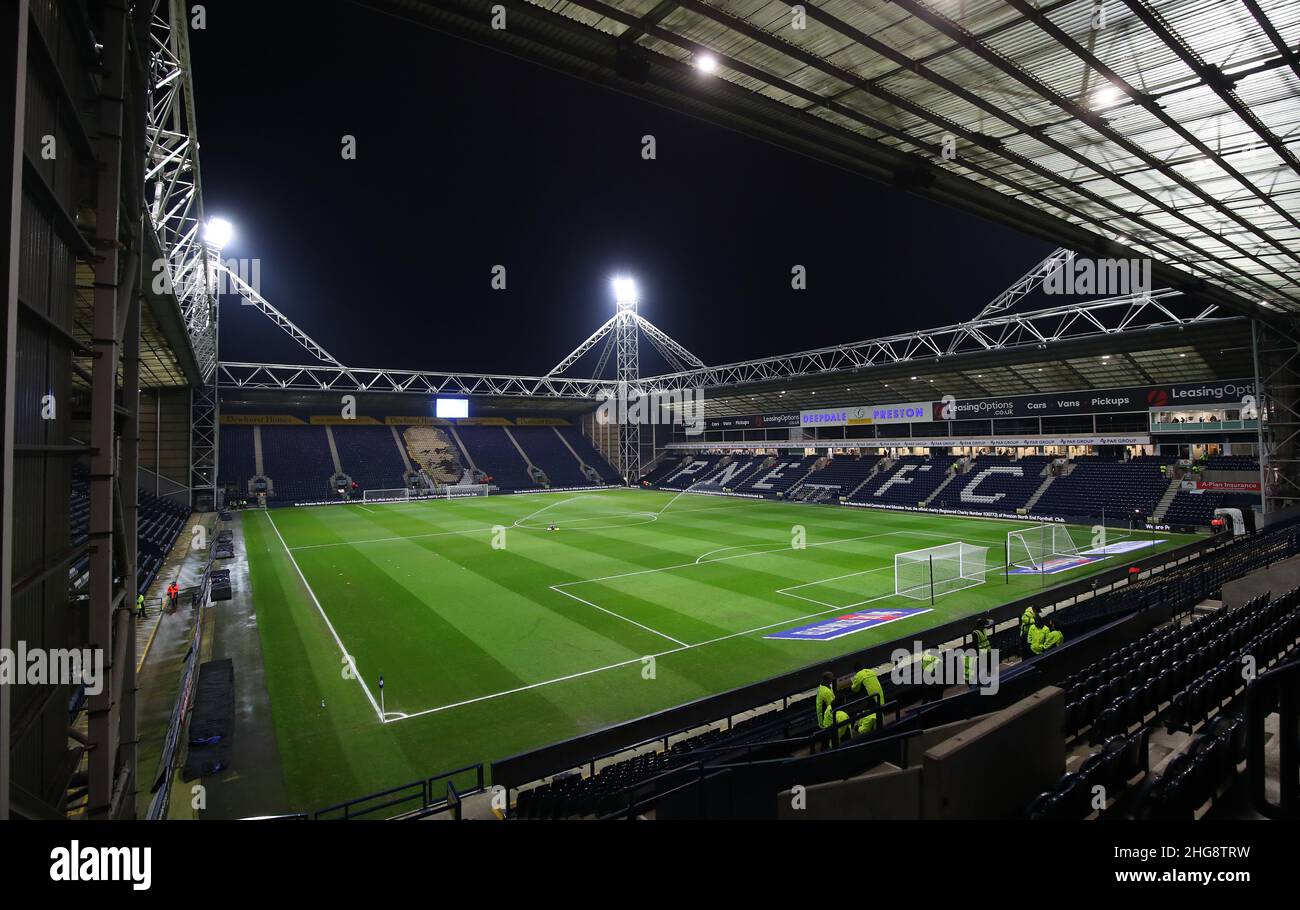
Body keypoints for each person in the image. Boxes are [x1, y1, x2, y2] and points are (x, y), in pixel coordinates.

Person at [815, 671, 851, 745]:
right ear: (828, 680)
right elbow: (833, 705)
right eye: (831, 678)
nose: (832, 679)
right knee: (828, 738)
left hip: (824, 716)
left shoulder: (823, 687)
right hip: (826, 719)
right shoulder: (826, 692)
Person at [851, 663, 885, 735]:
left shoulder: (859, 675)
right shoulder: (870, 671)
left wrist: (856, 728)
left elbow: (854, 689)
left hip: (872, 701)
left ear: (855, 671)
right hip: (881, 699)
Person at [965, 618, 993, 684]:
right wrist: (977, 653)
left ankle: (988, 678)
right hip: (982, 652)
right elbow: (975, 644)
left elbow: (989, 626)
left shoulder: (983, 629)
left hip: (988, 650)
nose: (984, 625)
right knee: (983, 667)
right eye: (983, 624)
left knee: (989, 666)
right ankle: (983, 680)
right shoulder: (975, 633)